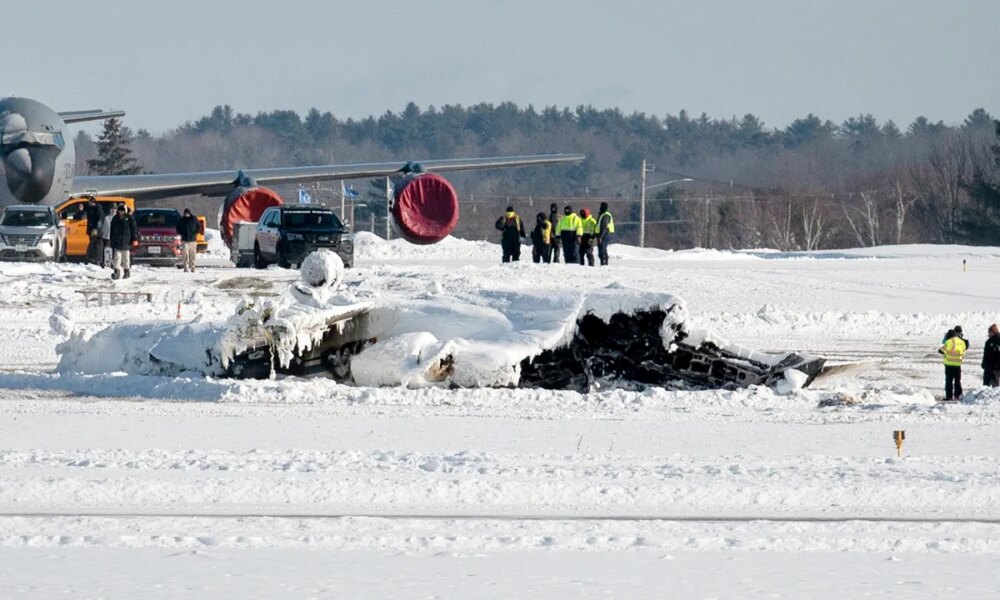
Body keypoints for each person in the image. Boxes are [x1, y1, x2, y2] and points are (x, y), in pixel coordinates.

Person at [109, 203, 138, 280]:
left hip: (126, 241)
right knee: (117, 257)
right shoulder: (115, 218)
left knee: (125, 258)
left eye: (122, 211)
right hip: (117, 241)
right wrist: (111, 240)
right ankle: (116, 272)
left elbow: (134, 229)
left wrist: (134, 239)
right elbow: (111, 230)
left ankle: (126, 272)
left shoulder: (129, 218)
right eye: (120, 211)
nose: (121, 212)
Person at [939, 328, 967, 401]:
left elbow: (941, 351)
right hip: (958, 365)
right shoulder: (962, 342)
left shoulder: (949, 342)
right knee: (957, 381)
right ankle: (958, 395)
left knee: (949, 381)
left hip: (949, 365)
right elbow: (964, 352)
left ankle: (949, 396)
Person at [176, 208, 201, 273]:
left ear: (190, 213)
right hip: (185, 240)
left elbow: (199, 227)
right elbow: (177, 228)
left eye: (188, 213)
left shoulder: (194, 219)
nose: (187, 215)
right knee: (185, 254)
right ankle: (186, 267)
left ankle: (193, 267)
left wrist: (195, 233)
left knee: (193, 255)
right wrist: (181, 233)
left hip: (193, 240)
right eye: (186, 213)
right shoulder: (182, 220)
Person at [83, 197, 105, 265]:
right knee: (92, 245)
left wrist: (97, 229)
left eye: (91, 202)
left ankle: (98, 260)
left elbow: (101, 219)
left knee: (97, 245)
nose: (90, 203)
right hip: (91, 230)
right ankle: (92, 259)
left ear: (94, 202)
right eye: (89, 202)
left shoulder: (98, 208)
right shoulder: (90, 209)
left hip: (96, 231)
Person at [596, 202, 615, 266]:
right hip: (602, 234)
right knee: (602, 249)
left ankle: (604, 263)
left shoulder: (605, 215)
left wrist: (601, 237)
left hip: (604, 234)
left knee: (602, 250)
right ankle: (603, 262)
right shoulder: (602, 214)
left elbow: (604, 227)